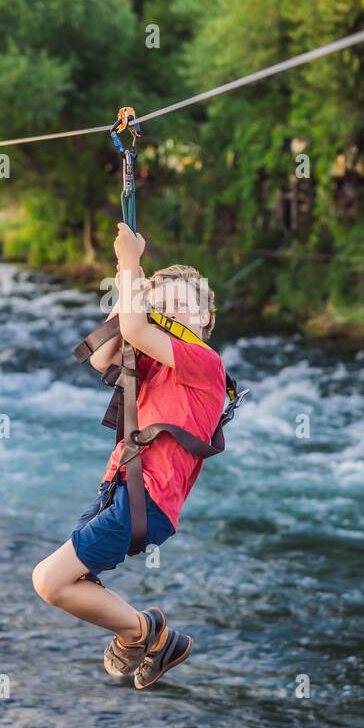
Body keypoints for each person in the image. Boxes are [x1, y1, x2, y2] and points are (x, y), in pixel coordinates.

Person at [32, 221, 227, 689]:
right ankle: (146, 636)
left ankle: (147, 634)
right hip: (121, 490)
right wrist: (133, 288)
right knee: (66, 584)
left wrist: (130, 263)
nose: (175, 310)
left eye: (187, 303)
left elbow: (136, 326)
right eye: (165, 303)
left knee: (49, 581)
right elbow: (103, 357)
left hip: (148, 499)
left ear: (205, 320)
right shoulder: (150, 360)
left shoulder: (203, 361)